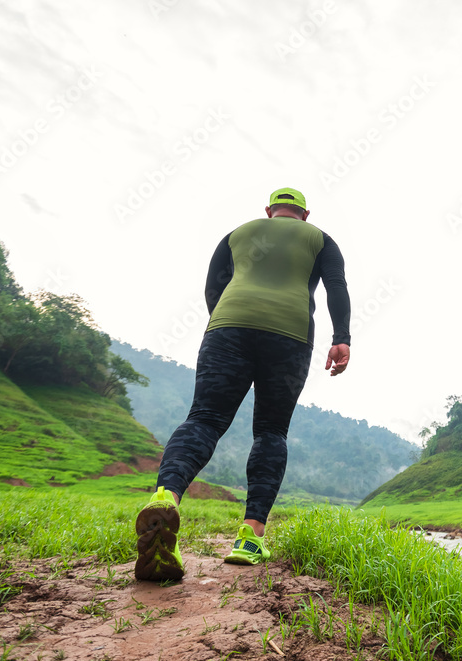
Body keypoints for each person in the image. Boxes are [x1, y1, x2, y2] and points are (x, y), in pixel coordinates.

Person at [134, 187, 351, 582]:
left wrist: (227, 324)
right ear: (304, 214)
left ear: (269, 211)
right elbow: (336, 286)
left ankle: (165, 496)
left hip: (228, 327)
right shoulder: (321, 239)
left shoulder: (237, 233)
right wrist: (343, 338)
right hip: (289, 334)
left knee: (204, 418)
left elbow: (212, 287)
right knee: (271, 430)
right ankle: (250, 538)